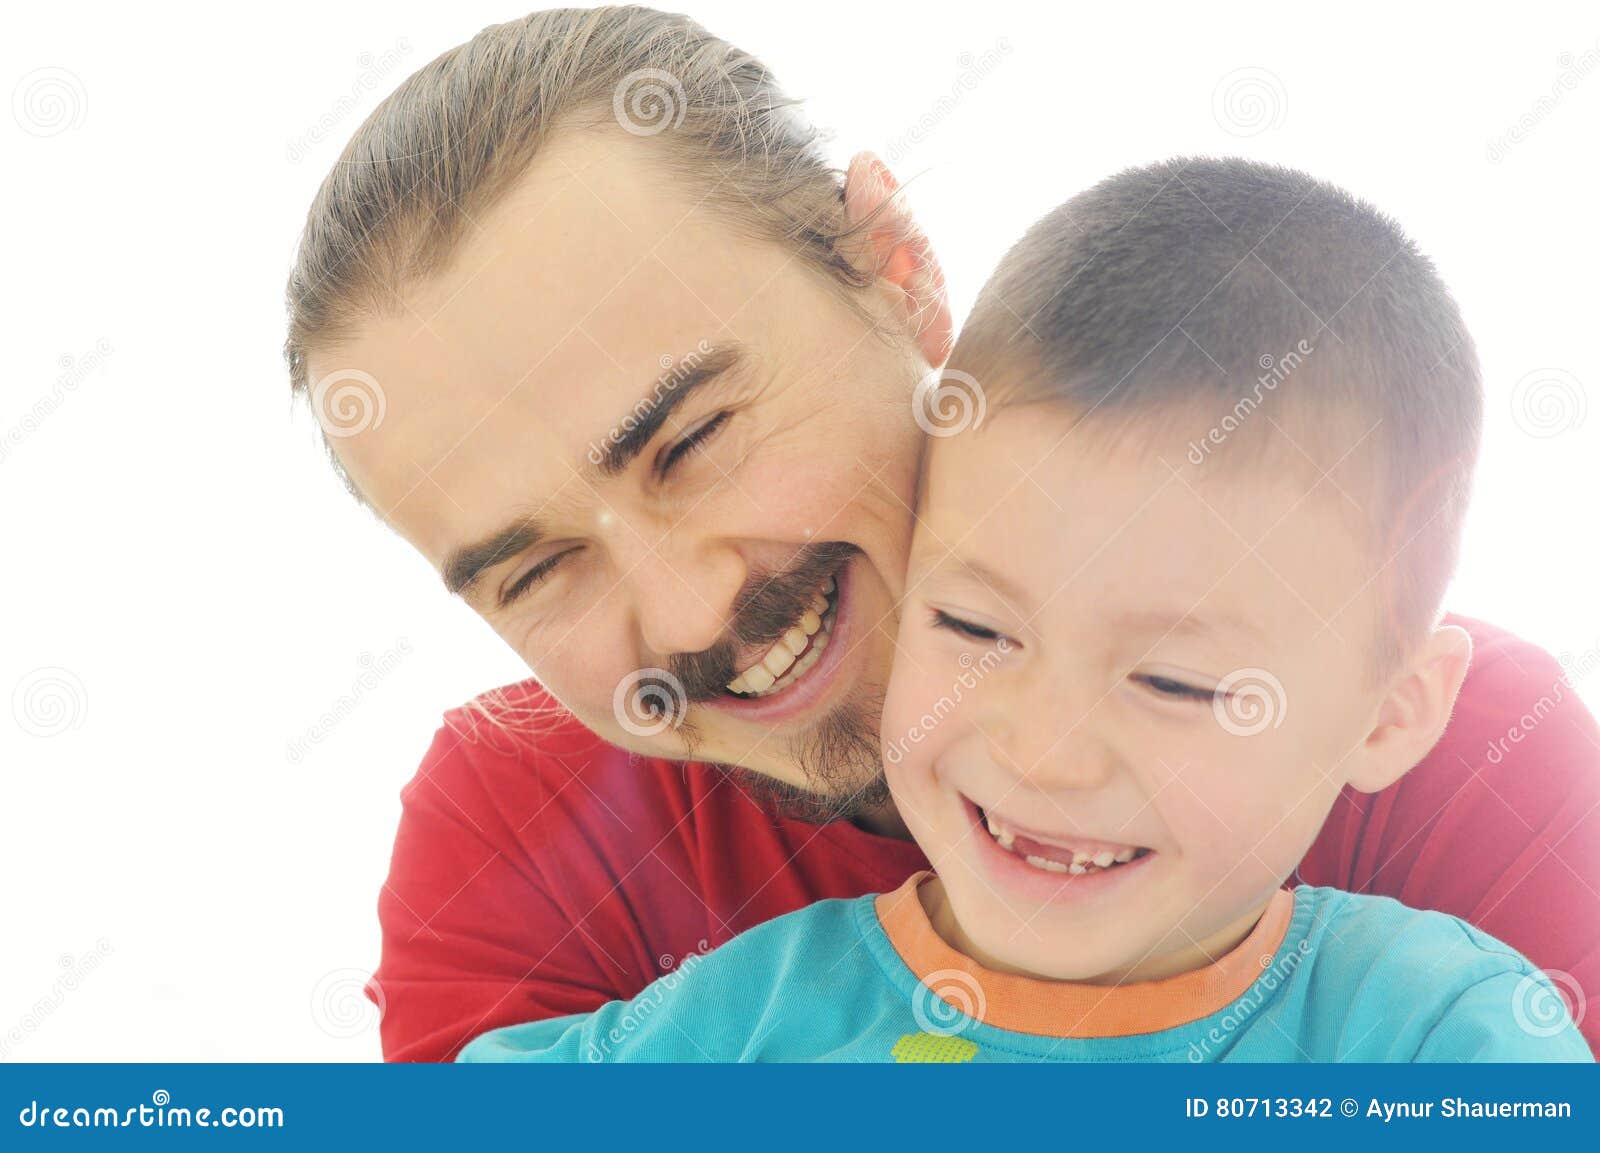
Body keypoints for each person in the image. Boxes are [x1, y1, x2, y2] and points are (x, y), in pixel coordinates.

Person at [282, 7, 1600, 1061]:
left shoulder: (1451, 763)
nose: (686, 613)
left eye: (691, 440)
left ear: (894, 265)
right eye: (537, 568)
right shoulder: (518, 832)